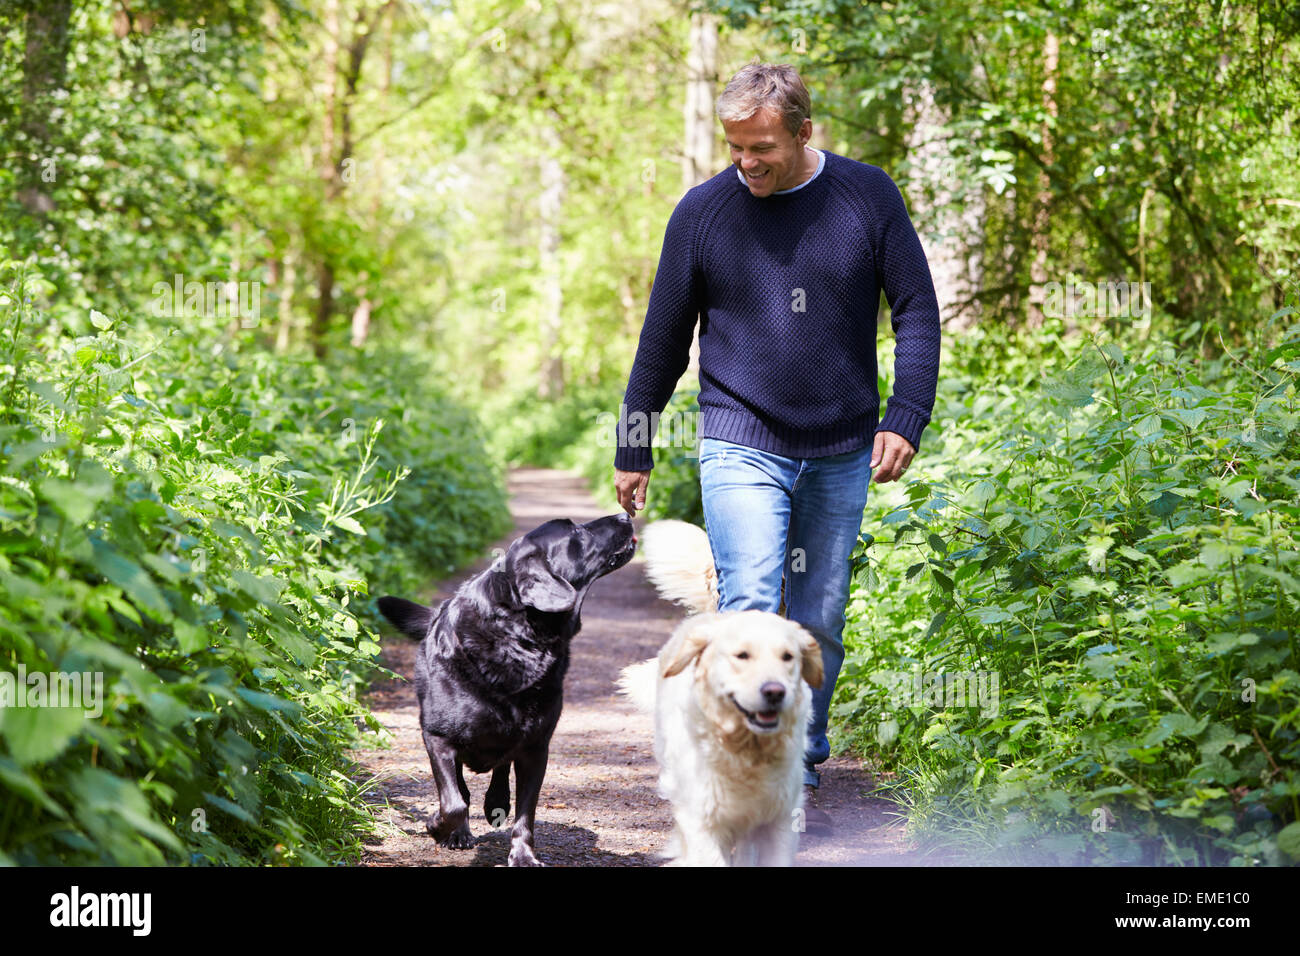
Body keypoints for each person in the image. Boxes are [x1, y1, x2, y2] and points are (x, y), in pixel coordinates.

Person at [613, 62, 941, 833]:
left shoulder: (867, 197)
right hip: (739, 437)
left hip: (841, 441)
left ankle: (802, 760)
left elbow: (917, 310)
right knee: (753, 607)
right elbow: (663, 339)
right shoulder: (702, 214)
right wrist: (636, 440)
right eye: (735, 148)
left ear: (803, 131)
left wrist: (908, 413)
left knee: (818, 618)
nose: (746, 163)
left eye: (761, 147)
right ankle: (739, 774)